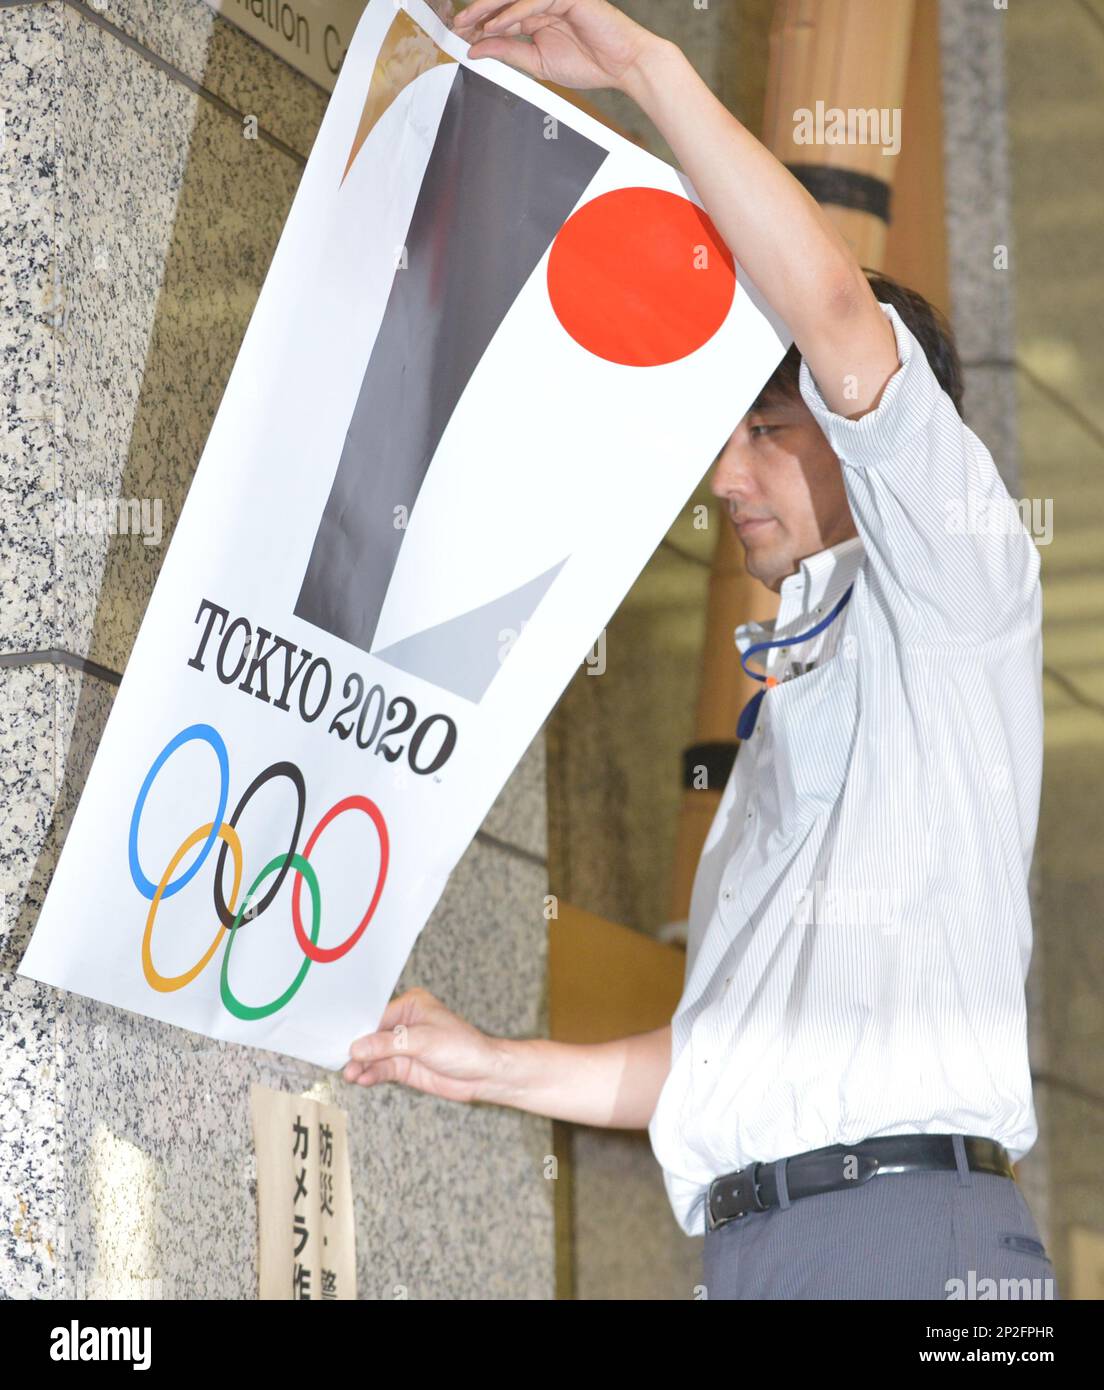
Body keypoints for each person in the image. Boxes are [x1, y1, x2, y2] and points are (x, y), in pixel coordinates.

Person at [344, 0, 1057, 1300]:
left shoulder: (962, 581)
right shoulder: (788, 713)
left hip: (911, 1240)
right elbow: (720, 1061)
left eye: (769, 429)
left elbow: (838, 309)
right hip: (763, 1242)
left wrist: (644, 70)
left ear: (874, 445)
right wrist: (485, 1064)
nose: (727, 474)